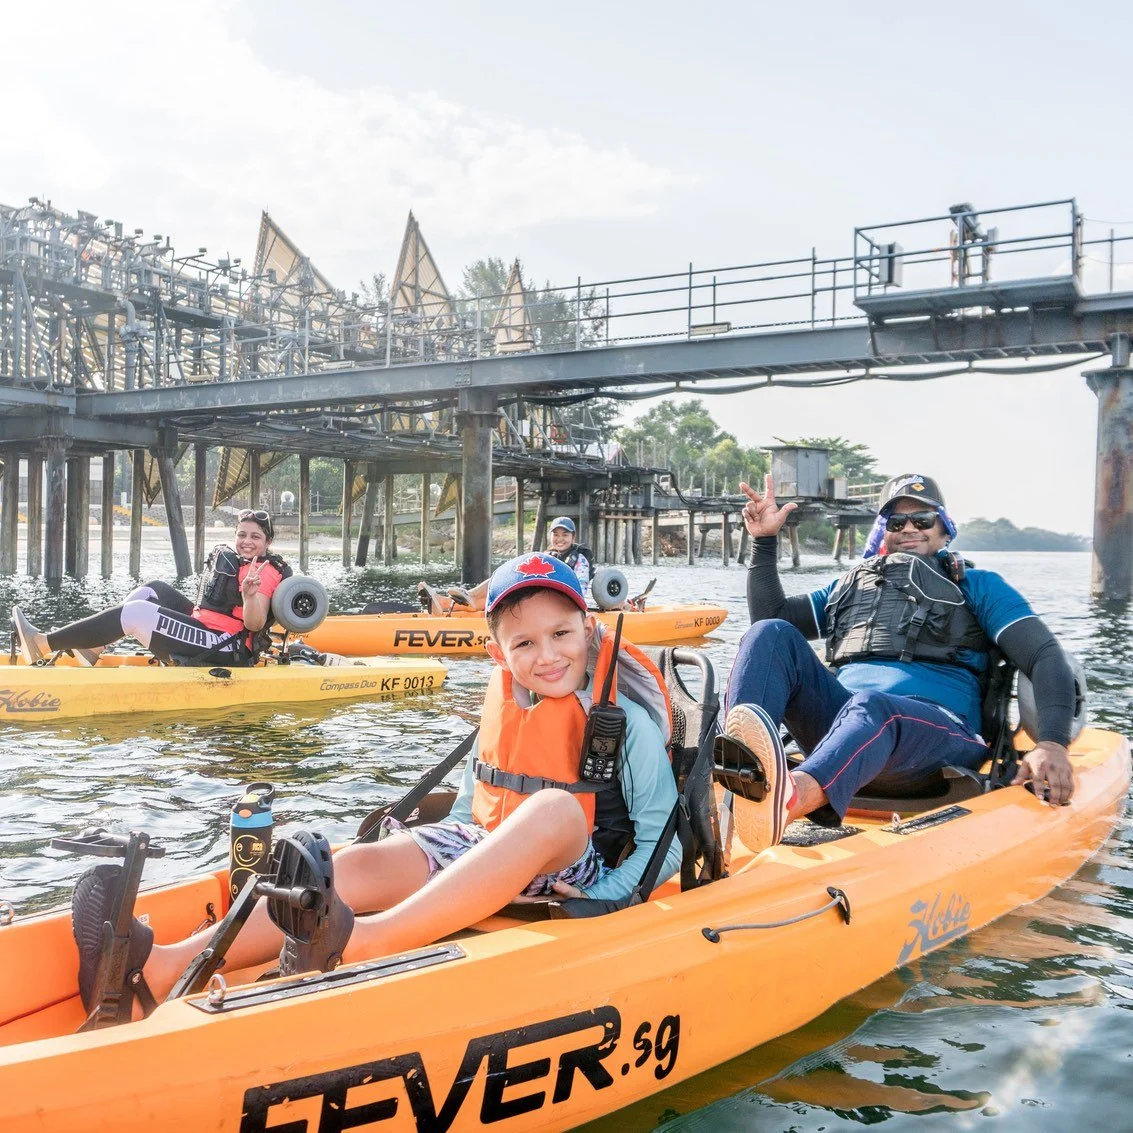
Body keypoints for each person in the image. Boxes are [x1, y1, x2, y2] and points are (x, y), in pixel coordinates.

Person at [68, 552, 682, 1015]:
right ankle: (155, 968)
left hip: (580, 873)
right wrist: (427, 850)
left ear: (588, 631)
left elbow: (666, 837)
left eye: (561, 635)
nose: (546, 656)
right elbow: (476, 802)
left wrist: (612, 901)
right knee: (355, 864)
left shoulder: (619, 718)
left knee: (552, 809)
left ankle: (362, 942)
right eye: (524, 643)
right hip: (484, 849)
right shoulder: (507, 700)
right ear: (499, 652)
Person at [720, 472, 1078, 852]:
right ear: (884, 532)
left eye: (922, 520)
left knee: (874, 706)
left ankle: (791, 800)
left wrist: (1053, 743)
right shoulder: (850, 585)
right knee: (769, 634)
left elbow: (1044, 655)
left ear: (944, 531)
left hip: (936, 739)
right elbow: (770, 614)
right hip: (843, 732)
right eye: (896, 522)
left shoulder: (977, 585)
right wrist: (764, 541)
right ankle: (740, 776)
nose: (909, 528)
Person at [12, 509, 290, 668]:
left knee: (137, 614)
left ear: (267, 542)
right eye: (242, 534)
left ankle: (42, 644)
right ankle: (92, 647)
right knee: (151, 590)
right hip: (207, 627)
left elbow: (253, 624)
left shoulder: (264, 571)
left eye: (255, 536)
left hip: (227, 646)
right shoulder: (239, 561)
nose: (246, 541)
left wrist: (249, 595)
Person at [416, 515, 594, 614]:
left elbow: (580, 590)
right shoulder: (546, 556)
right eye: (556, 534)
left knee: (510, 594)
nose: (560, 539)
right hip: (535, 597)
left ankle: (463, 601)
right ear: (550, 536)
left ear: (573, 537)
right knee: (505, 575)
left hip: (557, 605)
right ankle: (447, 602)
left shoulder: (580, 560)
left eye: (565, 535)